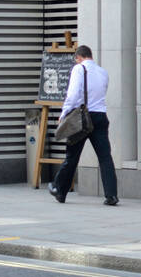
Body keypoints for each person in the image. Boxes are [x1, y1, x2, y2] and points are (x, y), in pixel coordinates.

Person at [49, 45, 119, 206]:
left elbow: (73, 95)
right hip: (100, 116)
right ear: (91, 56)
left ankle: (59, 190)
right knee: (105, 157)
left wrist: (64, 114)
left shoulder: (79, 69)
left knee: (72, 156)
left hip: (82, 117)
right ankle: (111, 195)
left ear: (78, 57)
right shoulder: (103, 72)